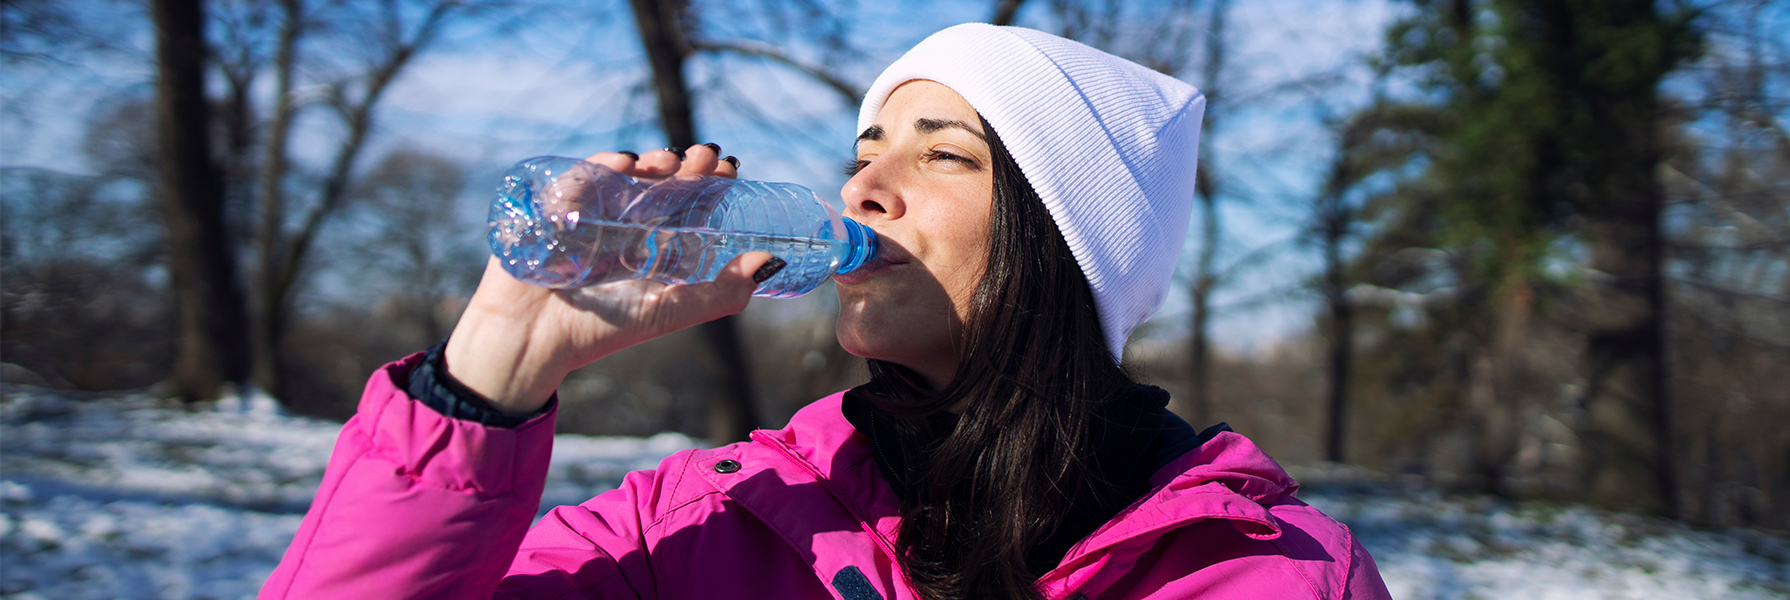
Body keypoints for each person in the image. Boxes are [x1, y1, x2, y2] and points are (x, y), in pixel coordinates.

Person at [260, 23, 1391, 600]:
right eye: (864, 151)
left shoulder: (1265, 572)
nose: (861, 188)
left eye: (943, 153)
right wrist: (499, 359)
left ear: (1068, 246)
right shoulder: (696, 529)